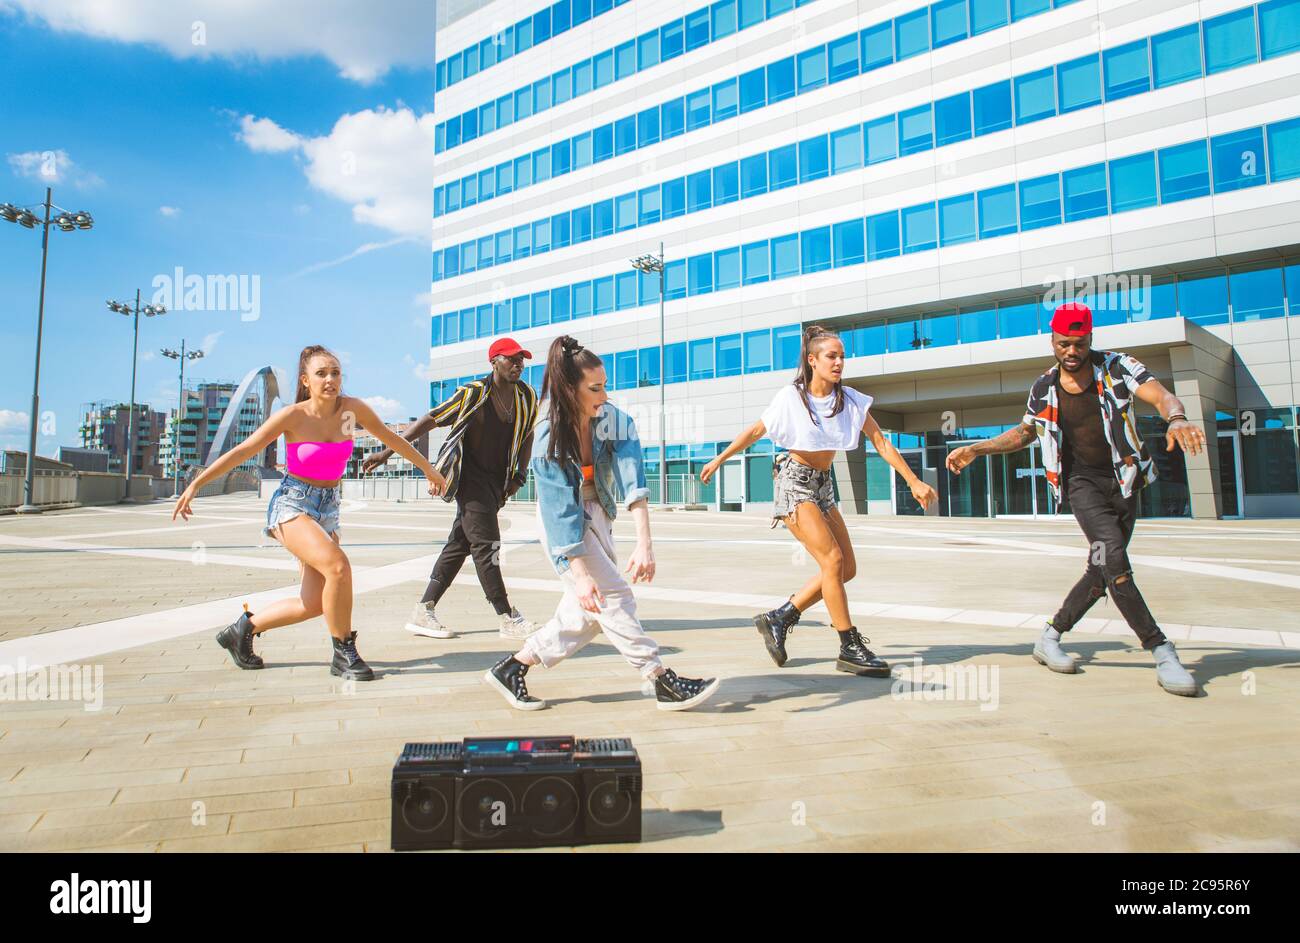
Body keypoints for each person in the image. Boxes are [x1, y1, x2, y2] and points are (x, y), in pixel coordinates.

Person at [946, 302, 1206, 697]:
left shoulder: (1117, 367)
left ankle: (1050, 635)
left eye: (1079, 344)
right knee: (1114, 560)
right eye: (1064, 344)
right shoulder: (1044, 387)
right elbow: (1025, 433)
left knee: (1100, 571)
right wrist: (979, 448)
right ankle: (1161, 649)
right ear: (1053, 342)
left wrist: (1177, 418)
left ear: (1090, 341)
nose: (1071, 351)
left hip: (1124, 482)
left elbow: (1160, 395)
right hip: (1081, 485)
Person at [173, 345, 447, 681]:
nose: (331, 379)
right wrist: (196, 483)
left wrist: (430, 470)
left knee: (314, 603)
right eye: (321, 373)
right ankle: (343, 652)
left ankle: (243, 629)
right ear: (306, 380)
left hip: (328, 506)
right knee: (338, 566)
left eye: (335, 372)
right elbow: (244, 449)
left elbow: (394, 439)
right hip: (293, 503)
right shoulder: (293, 416)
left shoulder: (352, 409)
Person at [483, 335, 720, 712]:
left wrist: (645, 543)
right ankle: (660, 678)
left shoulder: (614, 421)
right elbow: (560, 512)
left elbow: (633, 483)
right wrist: (578, 571)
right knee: (613, 596)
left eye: (605, 385)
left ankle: (513, 667)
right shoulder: (547, 435)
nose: (604, 395)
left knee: (588, 613)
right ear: (568, 389)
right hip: (563, 527)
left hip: (600, 514)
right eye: (595, 388)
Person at [701, 325, 937, 675]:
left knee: (846, 569)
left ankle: (780, 617)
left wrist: (913, 480)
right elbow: (756, 431)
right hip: (794, 483)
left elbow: (881, 442)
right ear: (812, 360)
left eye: (842, 356)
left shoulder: (852, 401)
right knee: (832, 560)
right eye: (831, 356)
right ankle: (849, 644)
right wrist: (720, 459)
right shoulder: (791, 397)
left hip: (823, 487)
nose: (839, 362)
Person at [363, 338, 540, 640]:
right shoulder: (474, 393)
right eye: (511, 359)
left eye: (521, 359)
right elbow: (431, 419)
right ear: (494, 362)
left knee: (459, 545)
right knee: (487, 546)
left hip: (497, 482)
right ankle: (506, 616)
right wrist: (387, 452)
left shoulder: (527, 396)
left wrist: (519, 476)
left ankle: (423, 609)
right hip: (469, 480)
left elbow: (527, 436)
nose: (518, 364)